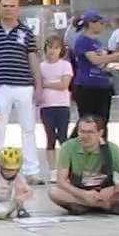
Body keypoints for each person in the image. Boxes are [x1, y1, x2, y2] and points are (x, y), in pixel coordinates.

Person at [0, 0, 42, 182]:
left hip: (24, 85)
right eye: (4, 6)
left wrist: (39, 85)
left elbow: (33, 60)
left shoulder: (27, 32)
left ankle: (32, 171)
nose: (8, 9)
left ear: (18, 9)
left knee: (28, 128)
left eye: (11, 6)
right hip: (0, 86)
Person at [50, 115, 119, 215]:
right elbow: (61, 181)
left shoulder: (111, 149)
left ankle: (86, 206)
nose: (85, 136)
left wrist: (113, 190)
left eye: (90, 132)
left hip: (106, 193)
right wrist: (83, 194)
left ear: (100, 133)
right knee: (55, 192)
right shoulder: (68, 147)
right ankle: (104, 206)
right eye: (82, 132)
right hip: (80, 193)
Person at [72, 10, 119, 134]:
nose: (103, 26)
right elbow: (94, 60)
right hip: (87, 86)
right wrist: (117, 55)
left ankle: (102, 147)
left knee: (102, 121)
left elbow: (101, 64)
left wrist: (115, 64)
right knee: (87, 121)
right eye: (100, 23)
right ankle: (74, 146)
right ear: (91, 23)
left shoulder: (97, 43)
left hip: (101, 85)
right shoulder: (83, 41)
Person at [37, 35, 73, 184]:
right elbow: (38, 83)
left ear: (61, 50)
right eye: (50, 47)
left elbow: (64, 85)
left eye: (56, 47)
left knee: (63, 137)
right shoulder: (41, 66)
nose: (52, 51)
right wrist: (49, 84)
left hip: (62, 104)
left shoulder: (65, 65)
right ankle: (52, 170)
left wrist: (46, 84)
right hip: (46, 105)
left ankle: (66, 169)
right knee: (50, 137)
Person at [0, 147, 33, 220]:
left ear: (18, 169)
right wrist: (0, 197)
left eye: (12, 170)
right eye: (6, 169)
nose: (9, 172)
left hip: (13, 202)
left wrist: (23, 196)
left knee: (19, 186)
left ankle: (20, 209)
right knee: (0, 212)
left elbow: (29, 190)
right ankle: (11, 212)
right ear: (0, 167)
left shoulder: (18, 178)